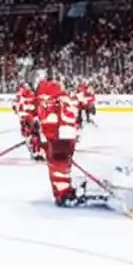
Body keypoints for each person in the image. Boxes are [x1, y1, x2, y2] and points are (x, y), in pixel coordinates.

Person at [35, 77, 86, 206]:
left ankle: (62, 193)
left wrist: (43, 140)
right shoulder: (65, 99)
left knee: (58, 166)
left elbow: (46, 123)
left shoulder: (46, 103)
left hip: (58, 138)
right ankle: (63, 192)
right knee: (61, 166)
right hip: (65, 137)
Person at [14, 83, 43, 160]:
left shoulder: (20, 96)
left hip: (27, 118)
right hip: (29, 118)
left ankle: (34, 150)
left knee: (31, 135)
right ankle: (35, 150)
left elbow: (15, 108)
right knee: (33, 135)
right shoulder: (27, 95)